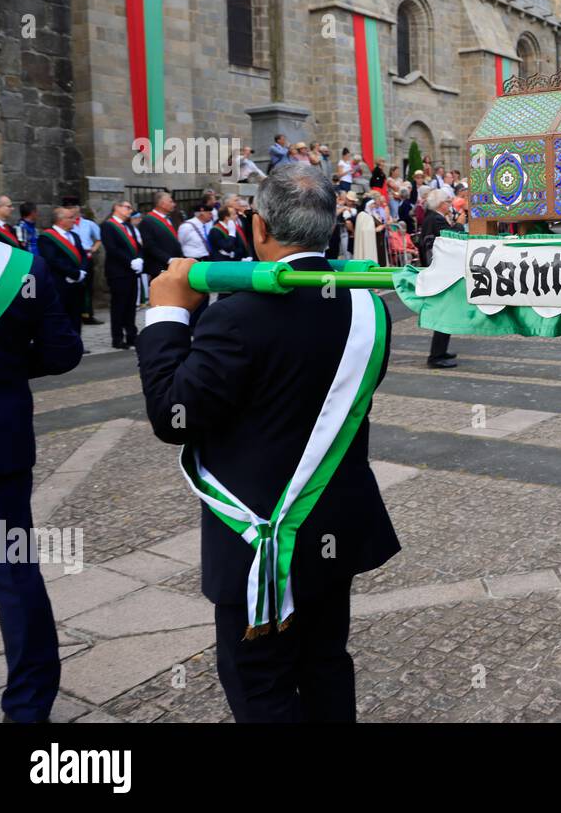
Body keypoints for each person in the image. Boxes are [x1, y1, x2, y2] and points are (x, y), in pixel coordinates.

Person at [135, 162, 400, 722]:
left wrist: (165, 315)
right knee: (326, 663)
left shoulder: (236, 318)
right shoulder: (367, 306)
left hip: (258, 536)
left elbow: (173, 417)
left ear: (258, 227)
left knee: (261, 684)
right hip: (334, 523)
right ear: (329, 226)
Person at [0, 229, 83, 722]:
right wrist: (4, 369)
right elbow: (63, 352)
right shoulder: (20, 268)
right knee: (13, 576)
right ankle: (27, 706)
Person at [419, 189, 458, 368]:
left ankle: (440, 351)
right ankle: (436, 356)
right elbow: (451, 240)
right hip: (441, 272)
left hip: (436, 270)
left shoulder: (430, 218)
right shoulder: (436, 219)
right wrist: (459, 224)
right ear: (442, 204)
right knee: (444, 313)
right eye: (448, 201)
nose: (450, 204)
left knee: (446, 313)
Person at [36, 207, 89, 337]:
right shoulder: (46, 237)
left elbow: (83, 255)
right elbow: (52, 260)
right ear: (60, 220)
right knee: (60, 316)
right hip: (59, 283)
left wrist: (81, 271)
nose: (74, 220)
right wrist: (73, 273)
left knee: (75, 315)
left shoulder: (75, 236)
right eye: (70, 218)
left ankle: (76, 342)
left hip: (77, 282)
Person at [100, 200, 144, 349]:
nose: (130, 210)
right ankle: (117, 338)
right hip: (118, 272)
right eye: (127, 207)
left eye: (131, 207)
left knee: (131, 305)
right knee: (119, 306)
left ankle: (132, 335)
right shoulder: (108, 226)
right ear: (116, 207)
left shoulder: (129, 226)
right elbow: (112, 248)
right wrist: (130, 261)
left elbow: (138, 246)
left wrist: (140, 259)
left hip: (132, 271)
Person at [68, 204, 103, 326]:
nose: (73, 210)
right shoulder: (67, 223)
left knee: (88, 287)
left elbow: (99, 238)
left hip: (86, 257)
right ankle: (75, 313)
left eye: (75, 207)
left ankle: (88, 314)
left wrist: (93, 249)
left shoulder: (89, 224)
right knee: (74, 286)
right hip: (72, 257)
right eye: (70, 208)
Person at [140, 191, 183, 283]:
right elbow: (150, 246)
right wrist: (168, 259)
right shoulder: (147, 221)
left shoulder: (169, 218)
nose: (174, 204)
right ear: (162, 204)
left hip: (173, 264)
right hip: (159, 266)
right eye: (170, 201)